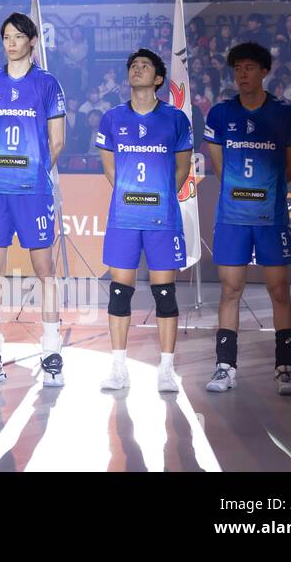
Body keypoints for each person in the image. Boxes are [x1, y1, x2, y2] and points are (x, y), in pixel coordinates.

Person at [0, 14, 68, 387]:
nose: (11, 43)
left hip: (33, 191)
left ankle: (51, 348)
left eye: (18, 36)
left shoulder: (47, 83)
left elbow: (57, 142)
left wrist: (33, 174)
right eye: (6, 36)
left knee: (45, 271)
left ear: (32, 41)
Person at [203, 42, 291, 395]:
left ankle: (285, 369)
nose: (241, 75)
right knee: (230, 290)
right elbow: (218, 165)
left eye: (248, 68)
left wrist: (265, 190)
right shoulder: (219, 114)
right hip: (232, 217)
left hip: (271, 217)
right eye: (237, 69)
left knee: (279, 290)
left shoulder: (284, 114)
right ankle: (225, 367)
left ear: (264, 71)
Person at [95, 50, 193, 392]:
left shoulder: (176, 119)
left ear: (159, 79)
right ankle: (118, 368)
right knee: (119, 293)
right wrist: (128, 194)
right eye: (133, 66)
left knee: (164, 293)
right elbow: (109, 165)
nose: (137, 70)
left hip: (162, 218)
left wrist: (163, 195)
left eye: (145, 66)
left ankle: (166, 369)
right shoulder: (111, 118)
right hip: (124, 217)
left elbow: (183, 166)